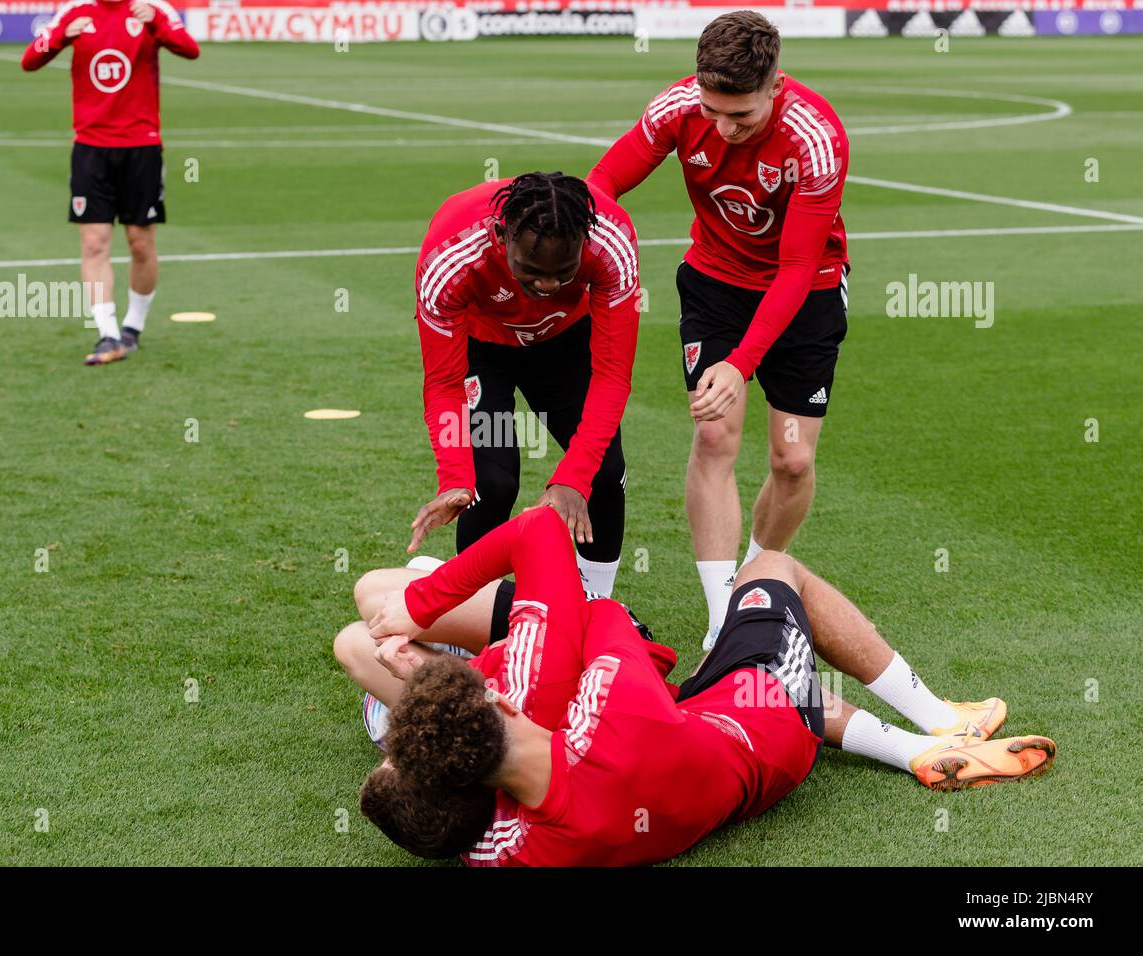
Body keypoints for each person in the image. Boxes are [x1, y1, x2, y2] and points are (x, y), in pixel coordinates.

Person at [338, 508, 1057, 865]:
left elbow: (443, 824)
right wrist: (472, 635)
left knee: (355, 639)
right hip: (764, 735)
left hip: (695, 740)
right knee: (776, 571)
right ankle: (933, 720)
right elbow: (605, 615)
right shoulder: (607, 708)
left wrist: (458, 680)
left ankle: (909, 749)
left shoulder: (510, 844)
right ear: (493, 699)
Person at [588, 10, 849, 649]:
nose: (724, 128)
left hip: (804, 293)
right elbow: (604, 184)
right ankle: (720, 617)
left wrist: (741, 364)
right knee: (713, 436)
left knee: (792, 459)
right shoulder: (679, 108)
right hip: (715, 287)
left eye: (742, 116)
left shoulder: (816, 139)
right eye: (713, 111)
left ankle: (756, 581)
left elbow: (794, 269)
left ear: (776, 85)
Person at [408, 172, 640, 598]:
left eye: (563, 272)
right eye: (531, 271)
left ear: (584, 243)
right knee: (489, 484)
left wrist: (573, 478)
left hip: (565, 344)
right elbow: (444, 383)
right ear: (501, 236)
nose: (548, 285)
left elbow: (612, 374)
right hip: (483, 349)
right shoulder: (452, 252)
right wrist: (454, 475)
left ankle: (596, 603)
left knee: (603, 473)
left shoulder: (611, 242)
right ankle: (474, 615)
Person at [21, 0, 199, 366]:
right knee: (93, 242)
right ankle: (108, 334)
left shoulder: (153, 9)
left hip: (142, 148)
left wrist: (158, 27)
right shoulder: (75, 11)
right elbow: (29, 60)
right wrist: (57, 38)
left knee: (140, 244)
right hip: (91, 149)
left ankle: (133, 326)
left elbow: (190, 50)